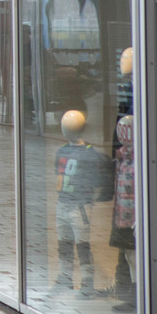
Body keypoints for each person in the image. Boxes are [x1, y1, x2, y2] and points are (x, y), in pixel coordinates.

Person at [54, 110, 112, 295]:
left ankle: (84, 278)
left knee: (79, 243)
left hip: (77, 206)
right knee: (69, 242)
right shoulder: (84, 152)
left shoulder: (69, 151)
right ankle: (68, 276)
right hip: (71, 204)